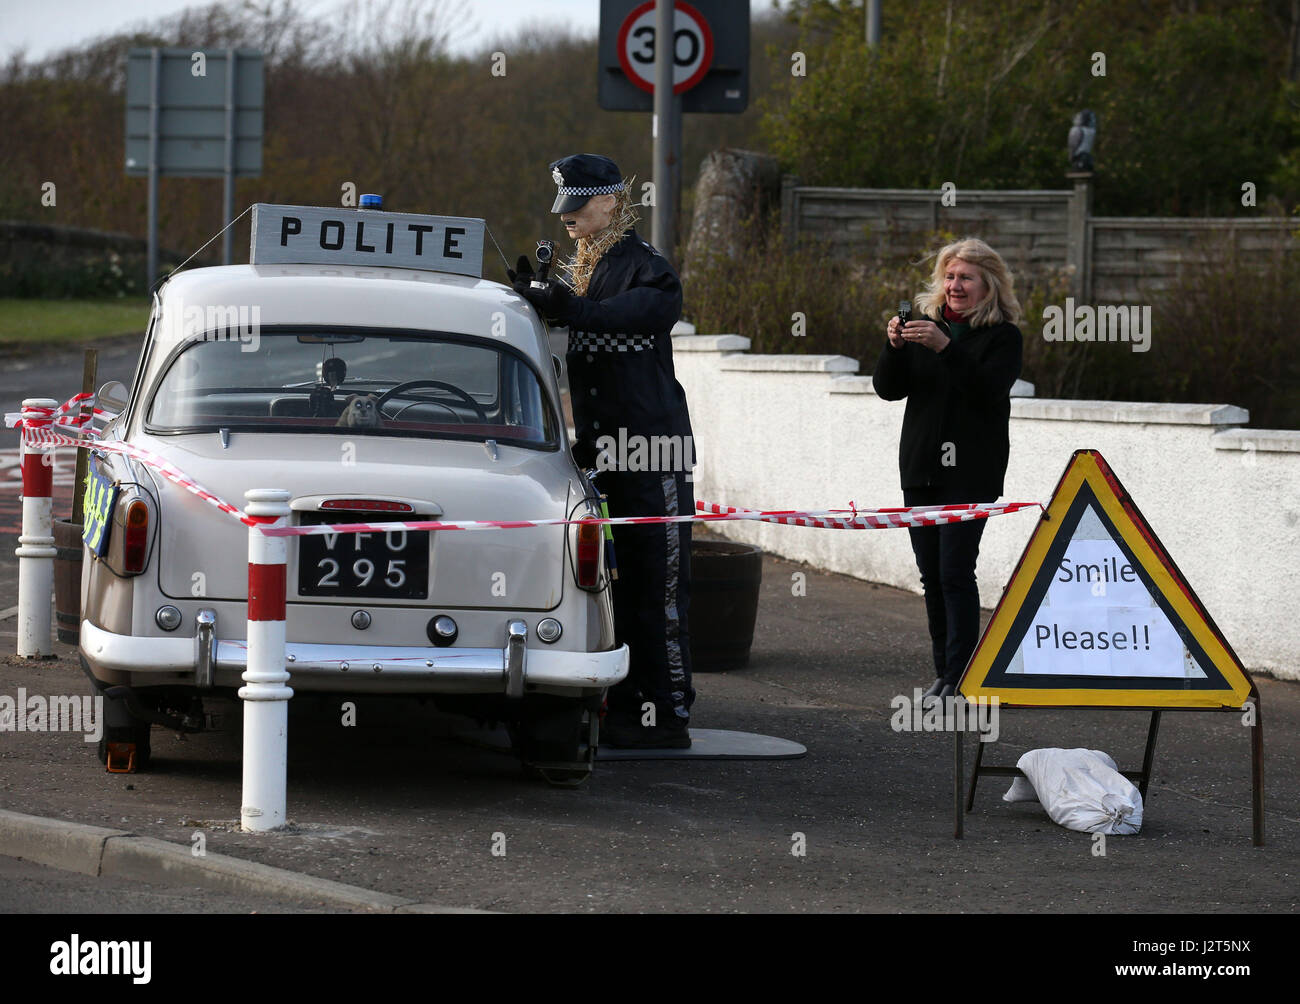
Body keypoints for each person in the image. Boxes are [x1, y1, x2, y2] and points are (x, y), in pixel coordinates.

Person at [511, 153, 695, 749]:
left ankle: (667, 715)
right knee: (614, 583)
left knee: (657, 585)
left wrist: (565, 304)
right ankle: (629, 700)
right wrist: (535, 299)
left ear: (612, 201)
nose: (567, 219)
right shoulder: (588, 267)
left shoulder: (647, 268)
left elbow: (635, 315)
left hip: (651, 450)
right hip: (605, 448)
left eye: (579, 206)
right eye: (564, 208)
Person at [872, 238, 1023, 700]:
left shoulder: (1002, 337)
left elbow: (988, 391)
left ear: (988, 285)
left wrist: (946, 349)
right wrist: (895, 347)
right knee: (932, 576)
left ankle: (961, 677)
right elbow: (887, 389)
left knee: (955, 572)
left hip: (969, 473)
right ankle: (943, 673)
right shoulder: (926, 329)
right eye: (950, 276)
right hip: (920, 469)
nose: (955, 286)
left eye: (966, 278)